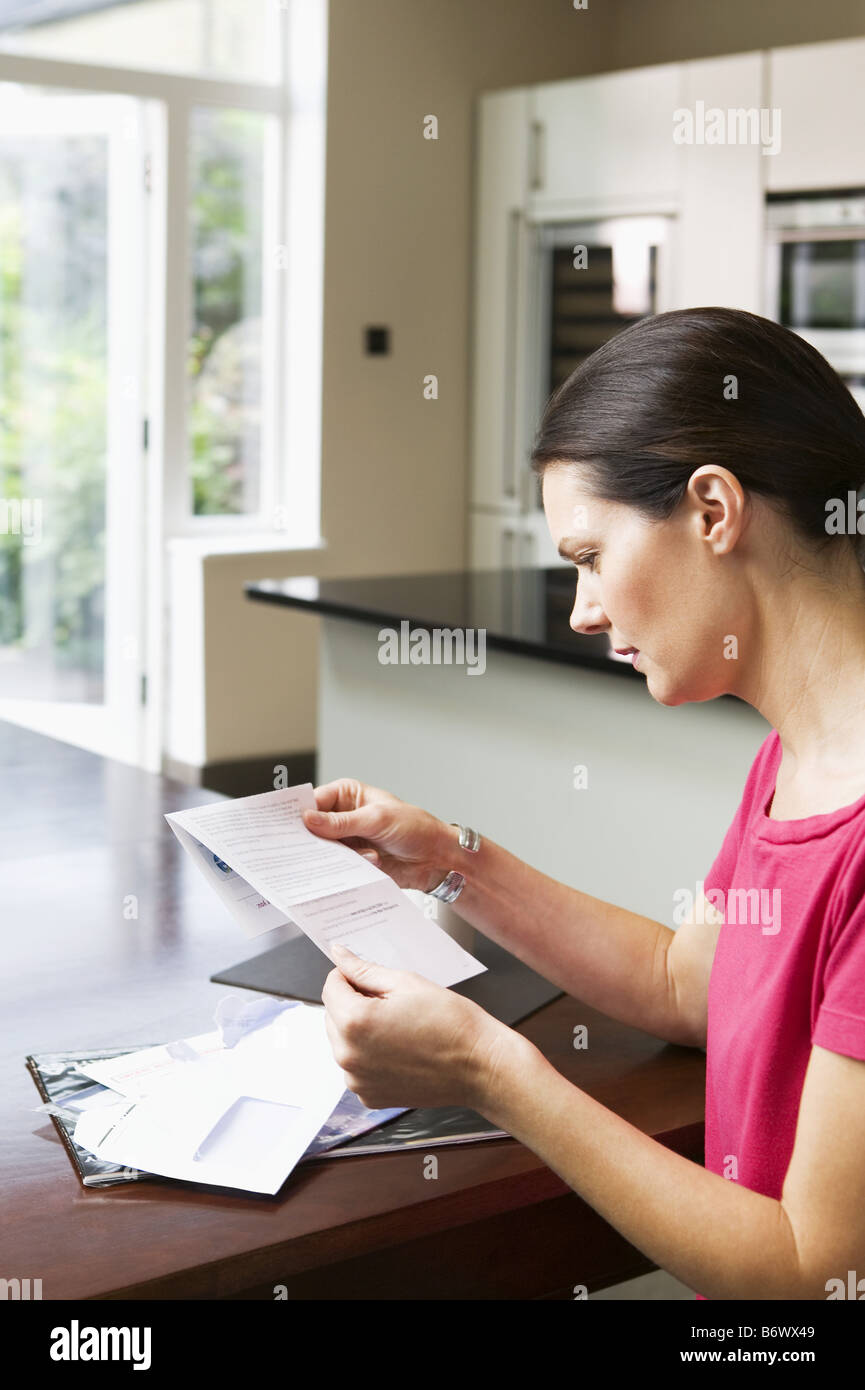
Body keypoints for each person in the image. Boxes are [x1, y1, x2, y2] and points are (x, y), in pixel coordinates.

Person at [303, 307, 865, 1300]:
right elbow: (686, 981)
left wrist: (489, 1070)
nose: (583, 610)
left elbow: (811, 1272)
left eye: (590, 556)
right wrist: (450, 860)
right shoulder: (793, 757)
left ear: (712, 511)